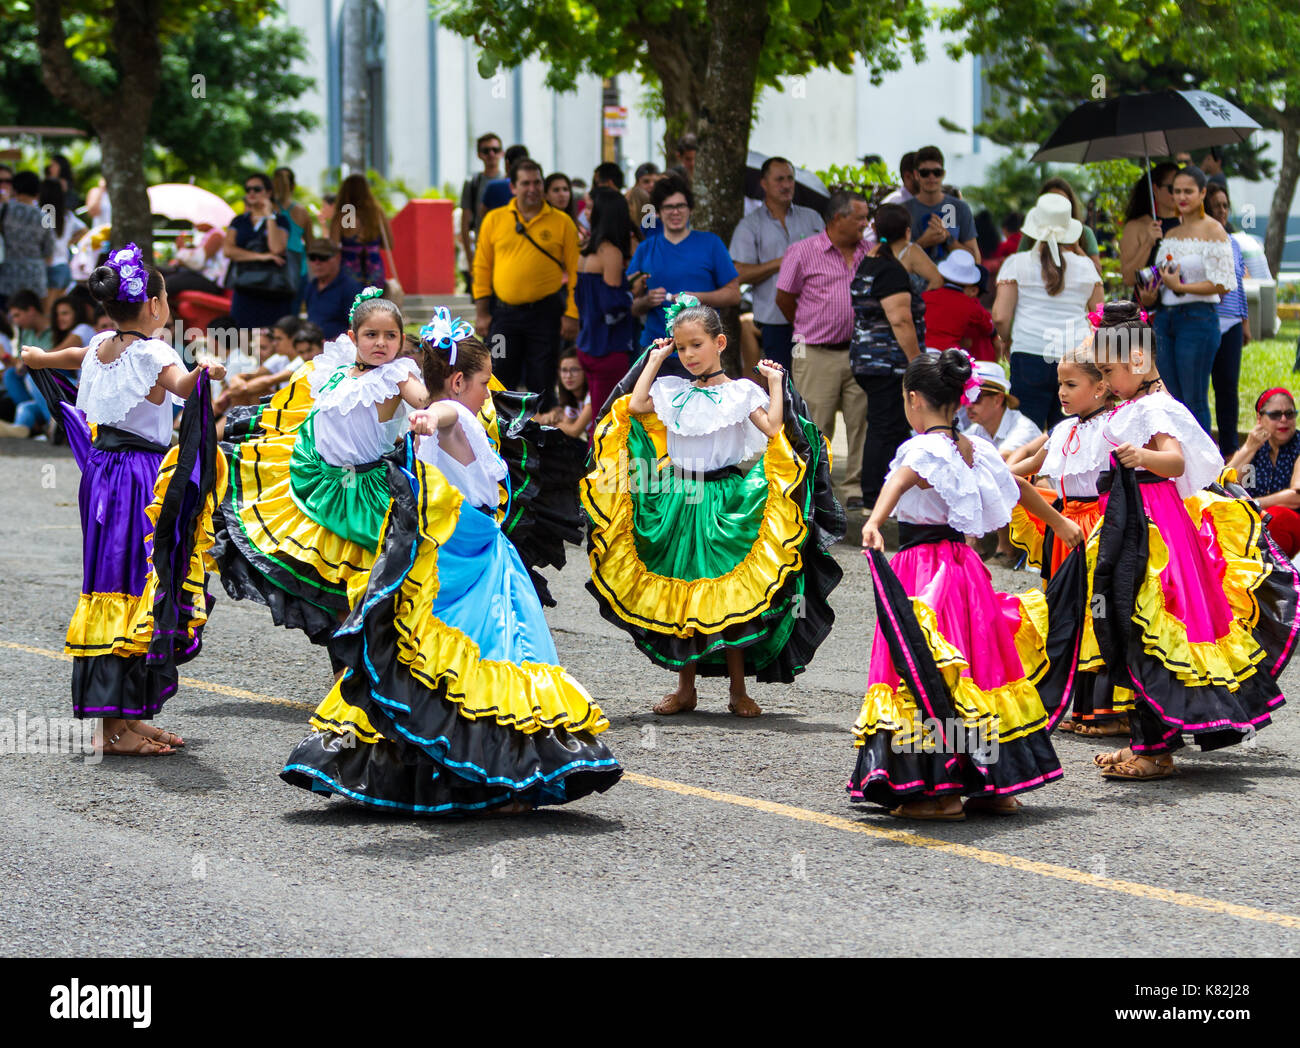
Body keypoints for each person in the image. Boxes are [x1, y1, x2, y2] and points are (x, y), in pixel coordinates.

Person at [281, 314, 622, 813]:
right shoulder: (453, 414)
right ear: (460, 381)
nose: (489, 392)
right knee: (503, 656)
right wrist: (429, 416)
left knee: (439, 661)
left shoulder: (440, 419)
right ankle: (505, 778)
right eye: (484, 382)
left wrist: (423, 420)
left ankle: (438, 768)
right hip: (479, 556)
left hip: (452, 551)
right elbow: (445, 416)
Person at [1066, 302, 1299, 781]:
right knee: (1135, 630)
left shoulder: (1153, 406)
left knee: (1143, 628)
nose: (1105, 383)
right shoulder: (1141, 399)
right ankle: (1148, 741)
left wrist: (1139, 456)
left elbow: (1172, 462)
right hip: (1134, 515)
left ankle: (1154, 751)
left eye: (1109, 371)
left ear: (1134, 362)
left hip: (1153, 524)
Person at [582, 296, 843, 718]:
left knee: (728, 596)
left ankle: (738, 690)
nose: (688, 356)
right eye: (681, 348)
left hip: (724, 500)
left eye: (696, 345)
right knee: (684, 596)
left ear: (720, 342)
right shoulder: (672, 392)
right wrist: (655, 358)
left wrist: (775, 385)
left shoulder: (740, 393)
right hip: (677, 499)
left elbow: (775, 428)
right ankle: (685, 689)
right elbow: (634, 404)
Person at [851, 351, 1083, 819]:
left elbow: (899, 479)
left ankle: (940, 793)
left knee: (926, 669)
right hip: (965, 571)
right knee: (979, 671)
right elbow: (1018, 487)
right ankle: (996, 786)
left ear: (913, 399)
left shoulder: (921, 448)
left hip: (923, 571)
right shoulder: (972, 447)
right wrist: (1060, 525)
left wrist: (875, 521)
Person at [15, 244, 226, 755]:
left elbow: (71, 356)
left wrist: (37, 357)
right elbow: (180, 382)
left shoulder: (101, 346)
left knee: (117, 585)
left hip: (103, 475)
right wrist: (206, 372)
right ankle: (110, 729)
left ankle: (125, 718)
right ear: (153, 305)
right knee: (135, 586)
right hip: (138, 479)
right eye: (166, 296)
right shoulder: (155, 354)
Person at [213, 288, 429, 648]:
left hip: (365, 491)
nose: (381, 343)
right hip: (319, 483)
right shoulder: (334, 371)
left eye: (390, 335)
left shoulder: (399, 374)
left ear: (402, 340)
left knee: (367, 582)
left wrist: (429, 412)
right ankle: (348, 668)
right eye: (371, 335)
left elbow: (423, 400)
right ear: (352, 338)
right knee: (332, 585)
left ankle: (379, 664)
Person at [775, 189, 871, 509]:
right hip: (814, 351)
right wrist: (809, 329)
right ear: (837, 219)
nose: (865, 224)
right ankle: (815, 488)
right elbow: (784, 299)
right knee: (815, 423)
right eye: (859, 218)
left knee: (861, 422)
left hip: (860, 352)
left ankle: (855, 486)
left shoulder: (869, 252)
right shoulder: (802, 252)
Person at [473, 158, 580, 411]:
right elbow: (482, 267)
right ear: (513, 187)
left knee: (541, 377)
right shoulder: (495, 219)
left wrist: (572, 314)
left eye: (537, 183)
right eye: (525, 183)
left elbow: (577, 273)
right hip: (503, 314)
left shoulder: (562, 222)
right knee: (498, 373)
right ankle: (499, 434)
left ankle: (541, 438)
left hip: (546, 313)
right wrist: (482, 312)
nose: (532, 188)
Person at [993, 192, 1104, 430]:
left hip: (1029, 354)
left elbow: (1001, 316)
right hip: (1076, 356)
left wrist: (1007, 339)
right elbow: (1100, 316)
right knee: (1070, 436)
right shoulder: (1086, 267)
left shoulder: (1017, 263)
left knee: (1025, 434)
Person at [848, 202, 924, 512]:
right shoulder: (891, 270)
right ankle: (874, 497)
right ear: (906, 232)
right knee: (885, 426)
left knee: (887, 425)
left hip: (865, 357)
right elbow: (901, 320)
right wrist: (917, 361)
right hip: (887, 361)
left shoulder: (868, 262)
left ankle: (882, 495)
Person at [1151, 165, 1236, 434]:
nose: (1181, 196)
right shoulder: (1170, 233)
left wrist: (1182, 286)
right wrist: (1151, 290)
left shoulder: (1213, 230)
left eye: (1188, 191)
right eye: (1176, 191)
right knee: (1169, 399)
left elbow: (1224, 283)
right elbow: (1162, 278)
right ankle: (1176, 464)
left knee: (1193, 399)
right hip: (1165, 318)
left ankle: (1201, 470)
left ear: (1202, 194)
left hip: (1198, 318)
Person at [728, 156, 825, 371]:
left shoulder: (813, 218)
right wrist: (782, 262)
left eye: (790, 179)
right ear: (764, 184)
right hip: (775, 320)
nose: (786, 185)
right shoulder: (750, 225)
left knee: (812, 384)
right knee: (782, 383)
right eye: (779, 179)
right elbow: (739, 272)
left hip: (815, 315)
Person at [628, 174, 739, 349]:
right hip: (656, 349)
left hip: (702, 348)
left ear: (691, 209)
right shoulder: (645, 249)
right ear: (658, 211)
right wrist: (646, 301)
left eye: (680, 206)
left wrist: (696, 298)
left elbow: (734, 294)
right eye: (668, 207)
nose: (675, 212)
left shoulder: (711, 244)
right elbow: (631, 305)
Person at [576, 187, 638, 433]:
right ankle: (601, 470)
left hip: (588, 344)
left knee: (597, 420)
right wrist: (633, 295)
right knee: (608, 422)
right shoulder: (609, 251)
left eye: (590, 208)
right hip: (608, 348)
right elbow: (613, 306)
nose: (586, 213)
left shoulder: (588, 249)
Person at [1226, 388, 1300, 558]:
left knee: (1279, 518)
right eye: (1275, 415)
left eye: (1289, 414)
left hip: (1287, 527)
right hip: (1254, 523)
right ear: (1260, 419)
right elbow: (1224, 484)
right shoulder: (1255, 446)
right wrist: (1248, 449)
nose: (1284, 420)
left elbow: (1296, 496)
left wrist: (1256, 504)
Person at [1206, 182, 1249, 457]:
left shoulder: (1233, 242)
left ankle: (1231, 449)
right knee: (1199, 389)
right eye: (1216, 205)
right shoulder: (1200, 240)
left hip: (1232, 322)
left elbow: (1240, 285)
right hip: (1207, 321)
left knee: (1228, 388)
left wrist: (1244, 321)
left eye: (1225, 205)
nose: (1222, 211)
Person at [224, 172, 293, 331]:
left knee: (273, 336)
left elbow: (276, 248)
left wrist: (269, 216)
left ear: (268, 192)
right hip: (244, 287)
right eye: (248, 189)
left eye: (257, 189)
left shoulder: (280, 220)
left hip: (273, 289)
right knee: (241, 334)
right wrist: (262, 256)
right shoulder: (239, 221)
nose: (251, 193)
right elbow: (228, 250)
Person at [904, 146, 979, 263]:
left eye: (936, 172)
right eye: (925, 173)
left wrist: (947, 239)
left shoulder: (960, 208)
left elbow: (975, 260)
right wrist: (923, 242)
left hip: (953, 280)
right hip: (915, 280)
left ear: (943, 174)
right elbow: (897, 259)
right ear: (916, 174)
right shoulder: (904, 210)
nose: (931, 177)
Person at [1118, 162, 1180, 295]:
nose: (1177, 193)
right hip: (1149, 309)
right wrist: (1148, 243)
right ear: (1156, 189)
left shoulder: (1187, 224)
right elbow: (1128, 278)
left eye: (1181, 188)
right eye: (1172, 188)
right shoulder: (1136, 226)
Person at [921, 249, 996, 359]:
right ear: (970, 282)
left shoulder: (926, 296)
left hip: (922, 351)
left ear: (943, 276)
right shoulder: (971, 305)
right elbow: (988, 328)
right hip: (949, 357)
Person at [0, 290, 56, 438]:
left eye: (18, 315)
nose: (16, 321)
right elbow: (20, 359)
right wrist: (16, 363)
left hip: (56, 383)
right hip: (36, 388)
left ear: (31, 310)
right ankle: (29, 427)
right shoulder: (27, 333)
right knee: (11, 375)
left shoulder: (55, 329)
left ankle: (55, 423)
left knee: (33, 376)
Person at [1016, 177, 1102, 270]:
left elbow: (1097, 274)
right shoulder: (1031, 234)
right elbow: (1017, 267)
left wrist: (1077, 249)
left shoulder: (1084, 233)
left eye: (1062, 201)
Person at [0, 171, 55, 308]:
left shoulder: (4, 210)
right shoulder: (45, 216)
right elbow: (49, 251)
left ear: (14, 189)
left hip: (8, 274)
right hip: (35, 276)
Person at [329, 173, 394, 287]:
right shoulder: (377, 214)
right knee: (374, 303)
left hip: (349, 269)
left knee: (351, 303)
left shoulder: (341, 216)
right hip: (374, 269)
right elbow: (389, 244)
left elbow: (332, 248)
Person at [459, 131, 503, 284]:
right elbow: (464, 224)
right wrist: (470, 260)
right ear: (479, 155)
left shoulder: (509, 182)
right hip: (482, 250)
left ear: (501, 153)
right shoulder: (473, 183)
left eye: (495, 150)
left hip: (507, 248)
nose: (491, 154)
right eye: (486, 150)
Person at [302, 237, 364, 339]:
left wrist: (328, 346)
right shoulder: (310, 287)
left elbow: (357, 329)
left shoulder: (351, 288)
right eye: (312, 257)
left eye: (323, 257)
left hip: (338, 350)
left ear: (338, 257)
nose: (317, 262)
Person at [39, 177, 87, 309]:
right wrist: (68, 243)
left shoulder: (43, 215)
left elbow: (44, 239)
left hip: (50, 267)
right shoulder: (67, 215)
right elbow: (84, 230)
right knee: (56, 311)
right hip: (64, 267)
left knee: (47, 312)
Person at [272, 166, 315, 292]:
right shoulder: (301, 212)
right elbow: (310, 245)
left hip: (274, 268)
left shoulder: (268, 209)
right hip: (298, 269)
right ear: (293, 186)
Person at [536, 346, 592, 439]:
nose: (568, 376)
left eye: (574, 370)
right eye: (564, 370)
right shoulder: (572, 398)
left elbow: (575, 431)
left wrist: (547, 421)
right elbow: (566, 426)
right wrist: (553, 416)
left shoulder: (592, 395)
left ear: (585, 371)